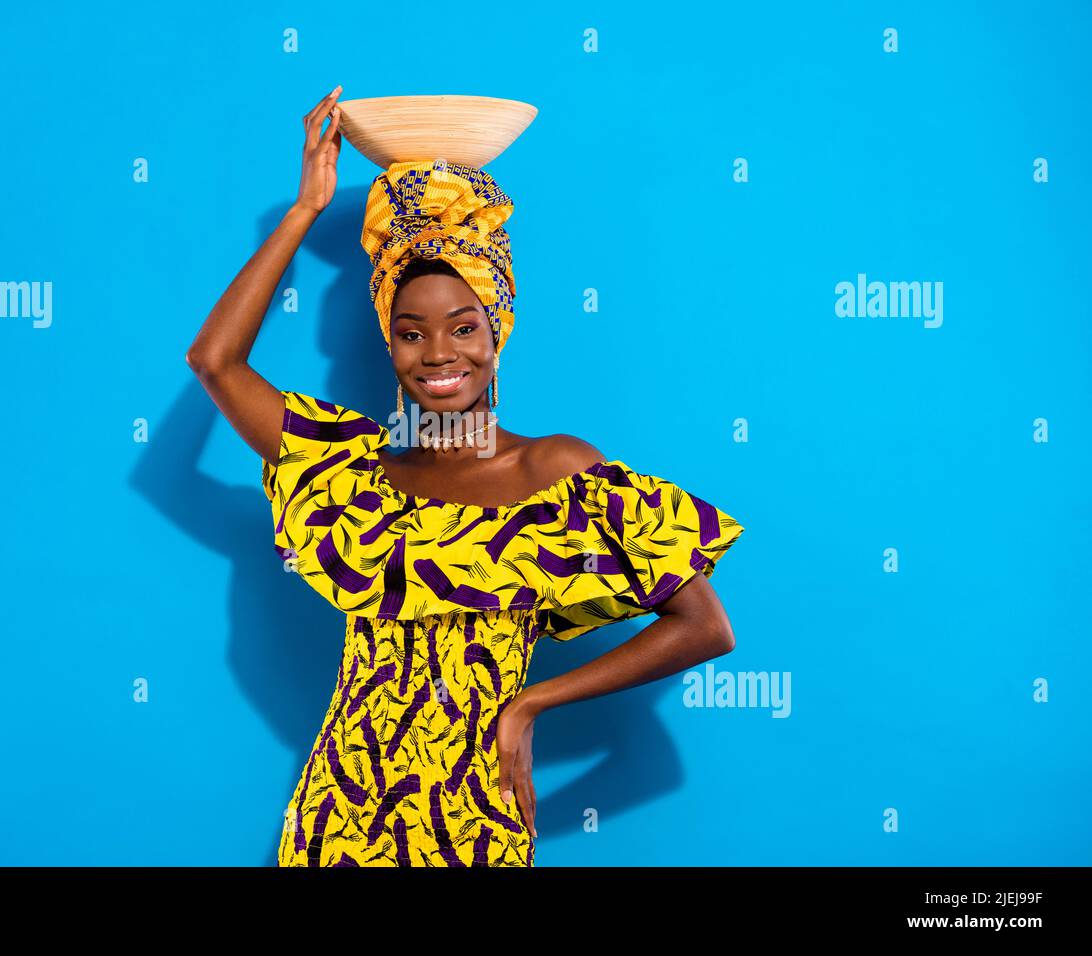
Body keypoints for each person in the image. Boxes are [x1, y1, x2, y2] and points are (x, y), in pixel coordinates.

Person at [186, 85, 746, 866]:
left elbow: (703, 626)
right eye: (410, 332)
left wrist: (530, 704)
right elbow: (215, 362)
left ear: (498, 325)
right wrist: (305, 208)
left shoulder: (556, 469)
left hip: (475, 809)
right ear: (389, 342)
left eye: (463, 326)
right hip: (342, 807)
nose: (439, 353)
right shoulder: (352, 472)